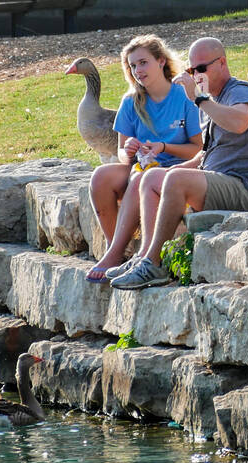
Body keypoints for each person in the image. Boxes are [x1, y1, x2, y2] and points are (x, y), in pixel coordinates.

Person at [110, 36, 248, 290]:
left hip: (247, 189)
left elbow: (240, 122)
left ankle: (155, 264)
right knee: (152, 177)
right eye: (191, 70)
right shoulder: (209, 100)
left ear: (222, 63)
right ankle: (143, 257)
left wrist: (199, 99)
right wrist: (174, 169)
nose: (196, 75)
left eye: (201, 68)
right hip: (217, 179)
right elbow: (205, 155)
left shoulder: (238, 91)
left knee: (174, 180)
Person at [86, 35, 202, 282]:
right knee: (101, 177)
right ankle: (114, 247)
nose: (138, 71)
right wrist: (127, 150)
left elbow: (198, 149)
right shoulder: (131, 101)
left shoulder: (184, 97)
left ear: (161, 61)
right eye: (132, 66)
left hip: (178, 171)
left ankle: (124, 255)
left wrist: (163, 147)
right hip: (140, 167)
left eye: (143, 63)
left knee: (142, 177)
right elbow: (120, 152)